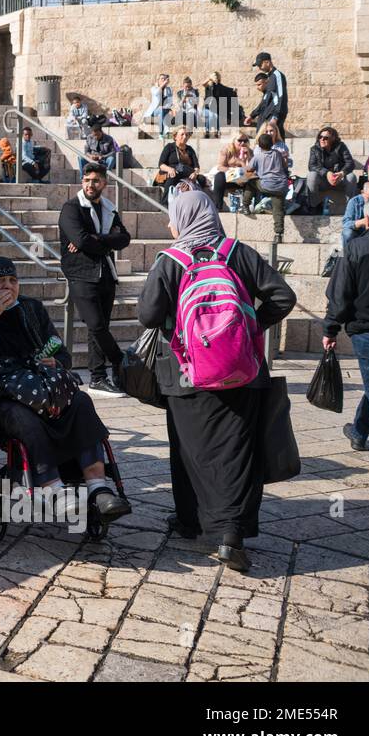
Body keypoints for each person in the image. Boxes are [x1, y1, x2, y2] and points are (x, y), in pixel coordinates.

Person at [138, 189, 295, 572]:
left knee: (189, 451)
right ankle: (232, 535)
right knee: (237, 451)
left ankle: (190, 521)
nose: (170, 224)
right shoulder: (238, 252)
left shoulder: (171, 260)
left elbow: (147, 315)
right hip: (243, 371)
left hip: (186, 374)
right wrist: (247, 327)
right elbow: (283, 297)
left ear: (182, 217)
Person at [0, 257, 131, 520]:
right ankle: (53, 489)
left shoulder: (31, 308)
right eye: (0, 281)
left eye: (13, 281)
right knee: (23, 418)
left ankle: (98, 488)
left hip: (44, 388)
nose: (8, 287)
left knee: (81, 403)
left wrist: (56, 360)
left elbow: (62, 353)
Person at [325, 193, 369, 470]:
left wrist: (330, 328)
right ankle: (360, 432)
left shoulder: (356, 248)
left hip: (368, 332)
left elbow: (339, 295)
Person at [60, 164, 131, 396]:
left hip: (106, 275)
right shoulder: (71, 208)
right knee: (96, 325)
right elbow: (80, 241)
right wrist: (103, 241)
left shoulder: (109, 209)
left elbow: (125, 239)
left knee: (99, 329)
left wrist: (96, 238)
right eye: (87, 180)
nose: (91, 184)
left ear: (104, 184)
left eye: (96, 181)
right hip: (81, 274)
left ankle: (98, 378)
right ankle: (122, 362)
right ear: (82, 182)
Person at [243, 131, 291, 239]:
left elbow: (249, 169)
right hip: (281, 186)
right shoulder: (278, 154)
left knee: (251, 182)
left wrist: (246, 160)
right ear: (272, 143)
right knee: (278, 210)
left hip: (267, 185)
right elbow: (284, 167)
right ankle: (278, 234)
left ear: (259, 145)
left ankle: (245, 205)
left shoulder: (258, 156)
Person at [307, 125, 358, 211]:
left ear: (333, 138)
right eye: (320, 137)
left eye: (326, 138)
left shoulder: (341, 147)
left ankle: (350, 208)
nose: (322, 139)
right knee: (311, 176)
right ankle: (314, 206)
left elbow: (350, 163)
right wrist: (326, 173)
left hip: (339, 180)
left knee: (351, 177)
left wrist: (342, 173)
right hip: (323, 181)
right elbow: (312, 166)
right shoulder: (314, 149)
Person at [155, 127, 206, 203]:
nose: (185, 136)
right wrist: (169, 169)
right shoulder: (169, 147)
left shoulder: (190, 149)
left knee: (202, 179)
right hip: (171, 172)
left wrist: (195, 173)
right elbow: (161, 164)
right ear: (175, 136)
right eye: (182, 134)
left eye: (186, 135)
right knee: (175, 173)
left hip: (186, 174)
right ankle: (164, 203)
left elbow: (196, 167)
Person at [210, 132, 254, 211]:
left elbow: (250, 171)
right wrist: (235, 175)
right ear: (234, 141)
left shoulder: (249, 152)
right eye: (240, 140)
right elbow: (220, 166)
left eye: (245, 140)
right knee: (219, 176)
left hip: (243, 180)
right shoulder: (227, 150)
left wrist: (244, 161)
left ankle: (246, 206)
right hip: (229, 177)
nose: (243, 143)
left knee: (253, 179)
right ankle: (217, 207)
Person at [250, 52, 288, 138]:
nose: (259, 68)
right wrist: (252, 115)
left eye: (260, 65)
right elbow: (265, 100)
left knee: (276, 143)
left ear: (267, 62)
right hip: (267, 116)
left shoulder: (277, 75)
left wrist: (275, 117)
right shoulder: (269, 78)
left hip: (274, 117)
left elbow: (281, 98)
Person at [343, 179, 369, 247]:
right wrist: (361, 222)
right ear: (362, 192)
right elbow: (346, 224)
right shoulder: (354, 201)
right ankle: (348, 255)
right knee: (347, 233)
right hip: (358, 232)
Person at [144, 73, 173, 138]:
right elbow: (156, 93)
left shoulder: (169, 89)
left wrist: (169, 109)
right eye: (162, 78)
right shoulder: (154, 88)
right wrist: (162, 86)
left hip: (164, 111)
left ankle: (166, 133)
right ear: (158, 80)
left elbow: (170, 102)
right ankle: (162, 133)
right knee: (161, 110)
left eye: (165, 79)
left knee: (165, 112)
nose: (164, 80)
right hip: (153, 113)